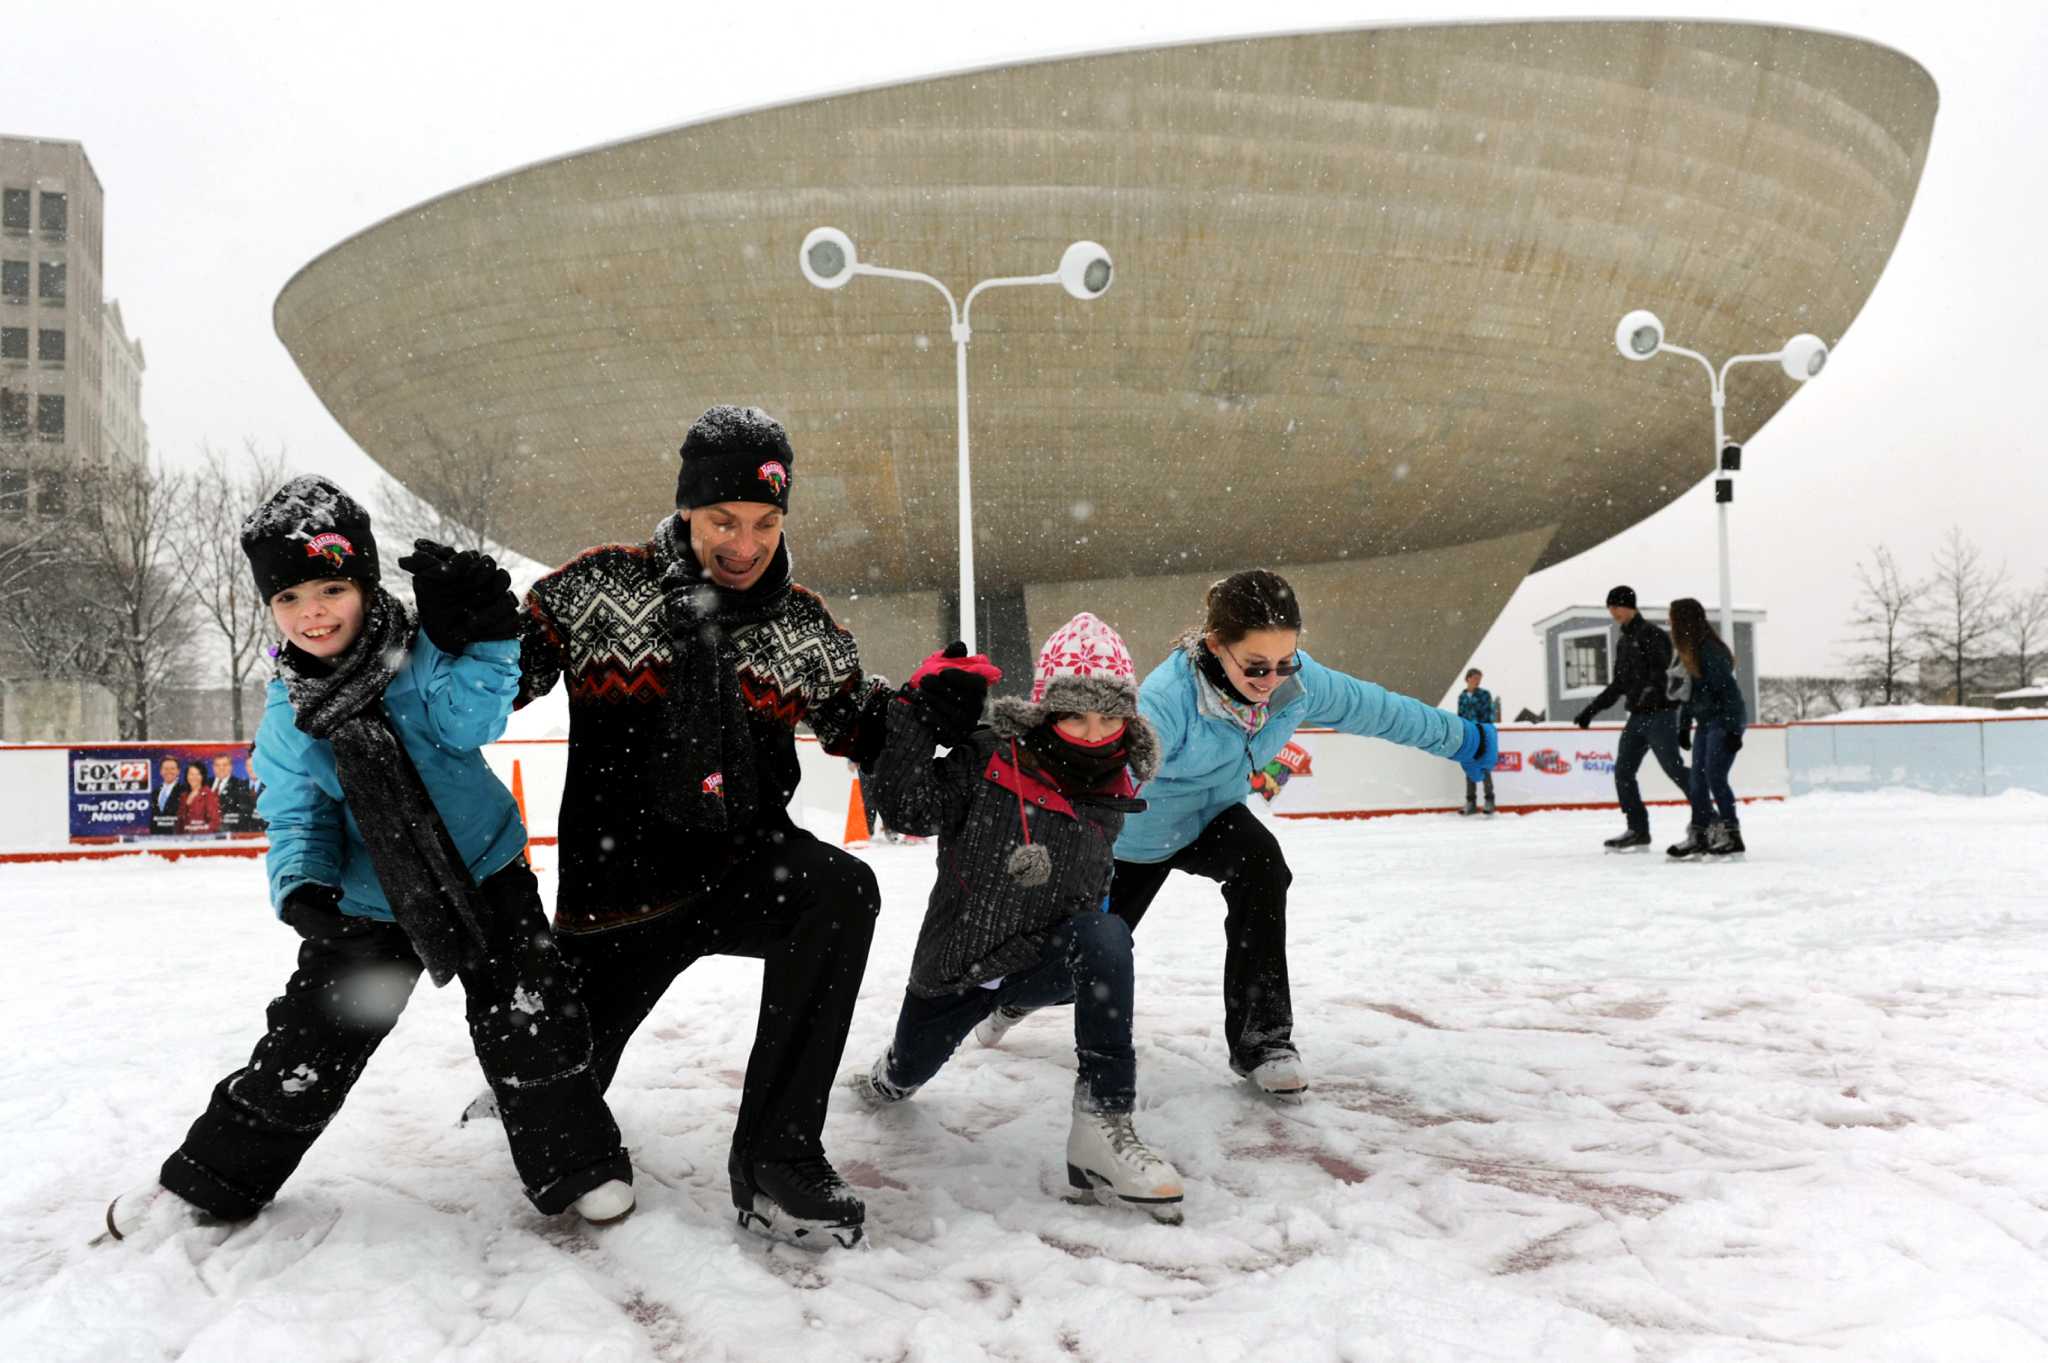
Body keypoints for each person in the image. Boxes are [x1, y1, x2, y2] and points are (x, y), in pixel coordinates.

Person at [104, 476, 632, 1247]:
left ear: (363, 583)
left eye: (329, 587)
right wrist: (302, 882)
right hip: (369, 895)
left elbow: (473, 719)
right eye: (288, 598)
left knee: (531, 1018)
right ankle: (211, 1180)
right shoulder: (290, 709)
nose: (312, 612)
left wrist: (486, 635)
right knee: (309, 1042)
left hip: (482, 871)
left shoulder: (421, 652)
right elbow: (297, 810)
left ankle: (579, 1167)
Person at [482, 404, 890, 1250]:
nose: (745, 544)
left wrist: (935, 709)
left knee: (842, 888)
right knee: (554, 1093)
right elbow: (500, 685)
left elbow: (864, 726)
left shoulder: (801, 623)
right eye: (723, 520)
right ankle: (541, 1084)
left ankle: (781, 1156)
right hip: (620, 893)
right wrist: (466, 628)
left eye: (767, 522)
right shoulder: (600, 587)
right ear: (687, 509)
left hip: (744, 866)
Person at [984, 570, 1498, 1101]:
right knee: (1077, 961)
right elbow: (1108, 776)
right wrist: (1068, 843)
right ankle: (1016, 998)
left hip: (1213, 818)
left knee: (1263, 868)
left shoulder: (1298, 685)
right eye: (1256, 665)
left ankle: (1263, 1042)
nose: (1271, 677)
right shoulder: (1169, 699)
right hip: (1137, 834)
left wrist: (1463, 737)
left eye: (1284, 661)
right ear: (1215, 646)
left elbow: (1379, 709)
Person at [848, 616, 1184, 1222]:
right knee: (907, 1072)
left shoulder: (1115, 780)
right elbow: (906, 809)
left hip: (1037, 960)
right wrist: (914, 716)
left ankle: (1102, 1125)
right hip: (958, 965)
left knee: (1107, 935)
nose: (1094, 733)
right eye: (1077, 716)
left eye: (1111, 718)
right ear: (1046, 710)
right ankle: (890, 1074)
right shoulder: (986, 757)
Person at [1572, 586, 1689, 852]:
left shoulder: (1653, 635)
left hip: (1660, 714)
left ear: (1630, 606)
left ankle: (1710, 818)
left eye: (1616, 607)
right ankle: (1637, 829)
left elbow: (1664, 673)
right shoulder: (1623, 642)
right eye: (1610, 608)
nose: (1613, 613)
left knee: (1674, 769)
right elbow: (1619, 684)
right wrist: (1591, 710)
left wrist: (1650, 691)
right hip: (1637, 717)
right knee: (1623, 772)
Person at [1667, 597, 1749, 859]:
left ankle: (1731, 834)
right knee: (1697, 780)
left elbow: (1730, 693)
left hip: (1724, 721)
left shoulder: (1710, 651)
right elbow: (1690, 694)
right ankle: (1700, 833)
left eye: (1673, 618)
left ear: (1684, 621)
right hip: (1705, 722)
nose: (1669, 622)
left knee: (1714, 776)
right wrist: (1683, 725)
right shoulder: (1689, 651)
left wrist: (1734, 730)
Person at [1457, 668, 1498, 815]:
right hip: (1468, 735)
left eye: (1479, 678)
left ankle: (1489, 800)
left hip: (1482, 733)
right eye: (1475, 678)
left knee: (1484, 766)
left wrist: (1477, 726)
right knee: (1469, 765)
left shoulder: (1484, 695)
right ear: (1468, 678)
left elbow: (1487, 714)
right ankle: (1471, 801)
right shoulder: (1462, 696)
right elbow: (1460, 715)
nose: (1477, 681)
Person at [213, 751, 259, 830]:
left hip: (232, 831)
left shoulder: (239, 786)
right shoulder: (205, 783)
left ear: (231, 767)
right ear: (213, 767)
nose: (221, 768)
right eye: (217, 765)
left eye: (225, 765)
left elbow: (245, 814)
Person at [175, 761, 221, 836]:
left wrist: (198, 831)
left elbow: (215, 823)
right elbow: (179, 823)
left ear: (203, 776)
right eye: (191, 774)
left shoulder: (209, 795)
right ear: (187, 776)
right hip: (183, 841)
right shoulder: (184, 796)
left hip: (202, 840)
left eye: (198, 774)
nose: (194, 777)